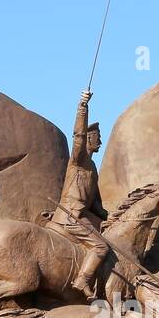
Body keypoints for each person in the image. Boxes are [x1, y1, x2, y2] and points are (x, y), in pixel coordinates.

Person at [51, 89, 111, 298]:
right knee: (101, 248)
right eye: (97, 138)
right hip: (70, 215)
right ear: (89, 139)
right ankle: (82, 281)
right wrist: (82, 107)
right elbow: (78, 135)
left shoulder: (93, 169)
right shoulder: (79, 160)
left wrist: (114, 217)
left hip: (81, 216)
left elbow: (95, 205)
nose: (100, 143)